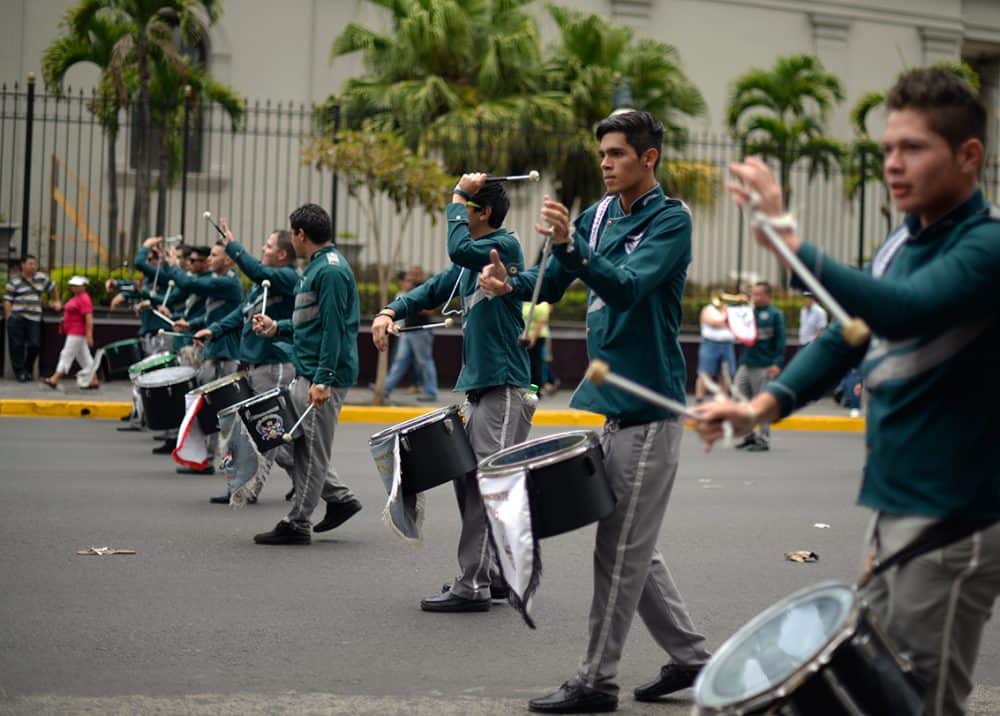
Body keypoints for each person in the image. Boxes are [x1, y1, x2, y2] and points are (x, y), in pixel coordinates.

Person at [696, 67, 1000, 716]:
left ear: (968, 155)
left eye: (913, 148)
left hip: (953, 517)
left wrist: (792, 243)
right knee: (880, 688)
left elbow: (906, 311)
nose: (893, 164)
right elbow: (846, 334)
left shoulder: (987, 247)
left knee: (919, 699)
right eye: (888, 148)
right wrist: (760, 406)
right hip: (899, 503)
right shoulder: (902, 242)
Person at [479, 110, 711, 713]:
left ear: (648, 157)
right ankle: (692, 659)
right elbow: (552, 280)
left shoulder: (671, 220)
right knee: (634, 545)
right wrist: (512, 282)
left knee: (618, 549)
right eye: (602, 153)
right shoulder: (599, 215)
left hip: (649, 407)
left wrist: (572, 246)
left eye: (617, 153)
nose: (605, 163)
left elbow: (627, 286)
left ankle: (596, 681)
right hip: (613, 410)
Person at [372, 177, 533, 613]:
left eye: (466, 208)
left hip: (503, 386)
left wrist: (457, 196)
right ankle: (493, 574)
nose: (459, 212)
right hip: (482, 388)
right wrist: (389, 310)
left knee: (483, 483)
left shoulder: (502, 248)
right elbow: (431, 289)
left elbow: (458, 249)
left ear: (483, 213)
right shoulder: (470, 263)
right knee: (473, 480)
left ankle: (473, 583)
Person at [251, 203, 362, 545]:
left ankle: (298, 523)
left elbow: (333, 328)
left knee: (311, 451)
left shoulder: (330, 271)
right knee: (296, 447)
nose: (291, 239)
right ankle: (340, 500)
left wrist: (323, 378)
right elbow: (309, 323)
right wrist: (277, 327)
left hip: (320, 376)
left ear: (301, 234)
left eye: (292, 234)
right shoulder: (315, 268)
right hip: (308, 371)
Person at [194, 221, 299, 506]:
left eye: (268, 245)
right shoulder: (261, 284)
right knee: (271, 435)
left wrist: (233, 246)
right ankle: (312, 481)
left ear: (281, 254)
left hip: (274, 365)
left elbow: (256, 270)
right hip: (256, 366)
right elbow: (243, 312)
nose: (263, 249)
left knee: (265, 433)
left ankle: (246, 490)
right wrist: (213, 330)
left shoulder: (287, 276)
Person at [166, 240, 244, 474]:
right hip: (214, 352)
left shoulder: (227, 282)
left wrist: (174, 266)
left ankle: (222, 461)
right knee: (211, 409)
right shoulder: (220, 283)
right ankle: (209, 459)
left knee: (222, 410)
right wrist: (192, 324)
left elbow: (189, 283)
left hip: (224, 356)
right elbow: (214, 317)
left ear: (228, 260)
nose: (209, 259)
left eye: (215, 255)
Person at [732, 281, 785, 451]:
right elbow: (734, 324)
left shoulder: (775, 314)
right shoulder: (747, 312)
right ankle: (748, 435)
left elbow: (780, 342)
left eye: (758, 294)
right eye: (753, 293)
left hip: (764, 365)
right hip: (746, 363)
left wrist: (776, 363)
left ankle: (762, 439)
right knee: (740, 398)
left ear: (768, 296)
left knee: (762, 404)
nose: (754, 297)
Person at [380, 266, 439, 403]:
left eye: (413, 274)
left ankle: (431, 392)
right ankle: (385, 389)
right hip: (408, 330)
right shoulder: (410, 290)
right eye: (410, 274)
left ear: (420, 275)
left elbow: (429, 310)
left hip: (420, 331)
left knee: (424, 361)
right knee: (400, 361)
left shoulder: (424, 289)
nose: (410, 277)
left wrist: (413, 306)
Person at [4, 254, 61, 381]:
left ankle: (28, 369)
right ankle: (20, 372)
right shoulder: (14, 282)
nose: (33, 266)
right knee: (16, 345)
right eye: (30, 264)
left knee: (34, 344)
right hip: (17, 316)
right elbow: (7, 300)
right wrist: (9, 318)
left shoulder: (41, 278)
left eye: (34, 264)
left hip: (34, 317)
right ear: (22, 265)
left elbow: (53, 287)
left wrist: (56, 301)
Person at [43, 275, 97, 390]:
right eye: (73, 285)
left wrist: (89, 335)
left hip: (77, 332)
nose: (74, 287)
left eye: (77, 285)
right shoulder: (76, 298)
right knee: (84, 357)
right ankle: (93, 379)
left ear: (84, 286)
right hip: (73, 331)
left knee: (66, 354)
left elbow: (89, 318)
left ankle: (55, 378)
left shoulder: (84, 298)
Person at [694, 291, 737, 404]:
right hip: (710, 344)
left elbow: (738, 324)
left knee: (725, 373)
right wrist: (728, 323)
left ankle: (722, 399)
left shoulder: (729, 310)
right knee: (704, 372)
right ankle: (699, 398)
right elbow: (713, 322)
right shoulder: (707, 309)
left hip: (727, 345)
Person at [522, 300, 551, 392]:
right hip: (523, 338)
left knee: (535, 366)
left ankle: (534, 391)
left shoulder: (541, 304)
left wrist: (533, 339)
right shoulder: (523, 302)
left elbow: (541, 322)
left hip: (536, 339)